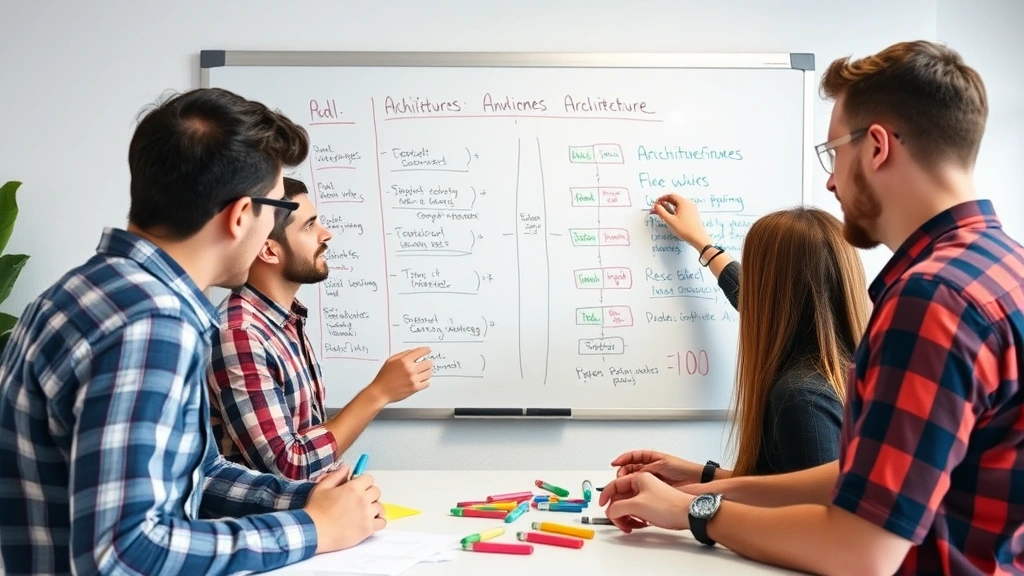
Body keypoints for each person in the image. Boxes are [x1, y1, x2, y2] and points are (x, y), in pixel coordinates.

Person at [600, 40, 1024, 576]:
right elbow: (862, 474)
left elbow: (861, 550)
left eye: (833, 154)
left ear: (876, 147)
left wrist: (694, 511)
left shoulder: (932, 298)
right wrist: (709, 482)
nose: (830, 181)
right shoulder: (1002, 270)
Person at [0, 88, 385, 576]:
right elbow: (123, 553)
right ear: (242, 215)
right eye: (276, 211)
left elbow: (194, 475)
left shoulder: (83, 291)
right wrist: (313, 530)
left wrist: (304, 497)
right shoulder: (150, 326)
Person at [614, 200, 867, 482]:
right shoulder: (846, 365)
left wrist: (685, 505)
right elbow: (780, 490)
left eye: (756, 279)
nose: (748, 294)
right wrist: (700, 476)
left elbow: (817, 518)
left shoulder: (801, 398)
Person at [207, 177, 433, 480]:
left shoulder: (286, 321)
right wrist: (378, 393)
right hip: (271, 523)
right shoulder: (241, 334)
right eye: (309, 226)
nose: (326, 235)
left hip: (313, 509)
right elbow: (289, 466)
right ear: (269, 251)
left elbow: (305, 439)